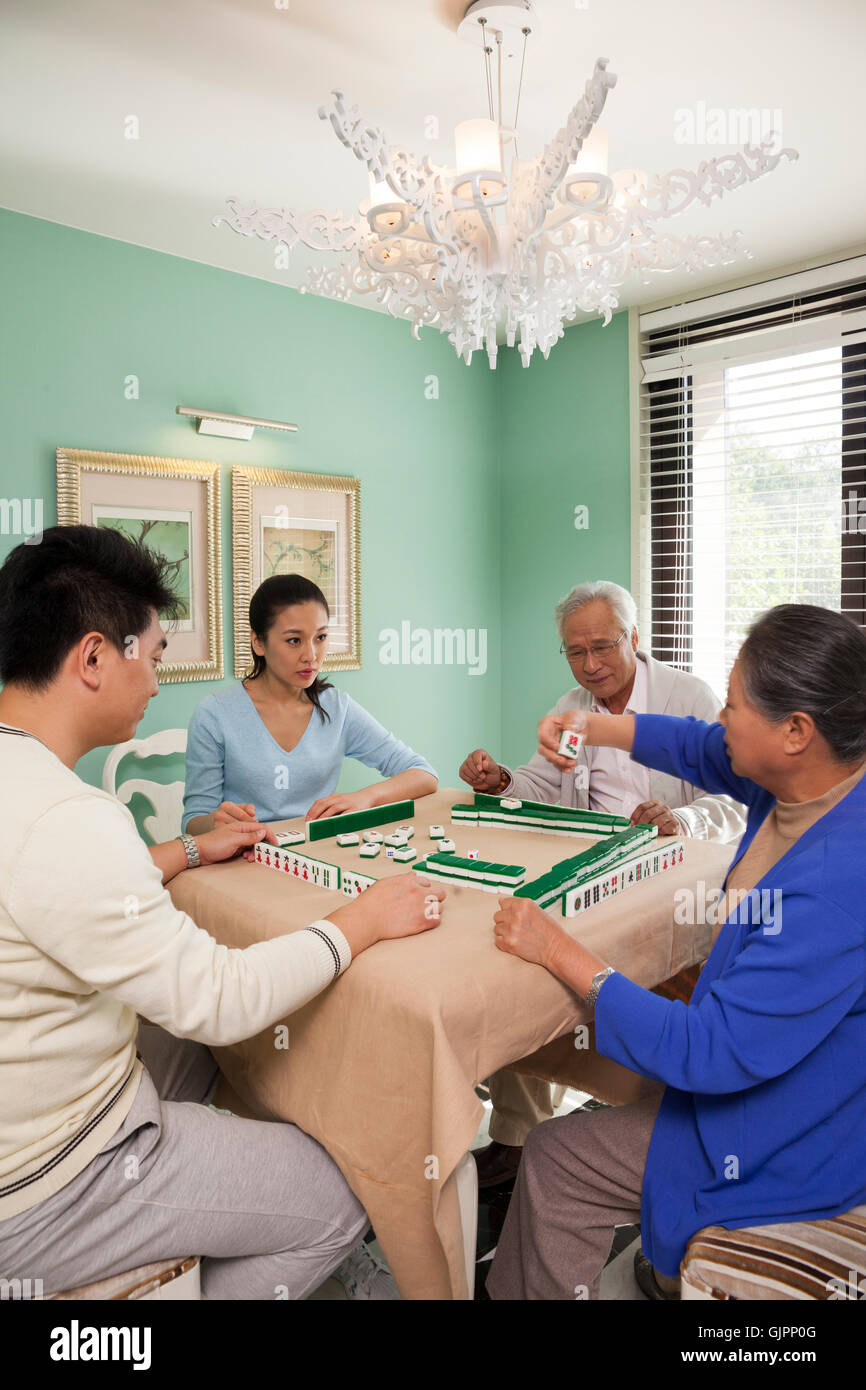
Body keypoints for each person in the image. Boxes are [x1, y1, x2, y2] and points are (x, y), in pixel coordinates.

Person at [0, 526, 445, 1300]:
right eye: (154, 655)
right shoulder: (72, 816)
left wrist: (190, 852)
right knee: (345, 1196)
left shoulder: (27, 784)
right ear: (96, 658)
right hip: (50, 1180)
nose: (153, 682)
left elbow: (70, 888)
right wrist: (365, 920)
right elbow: (220, 998)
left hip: (35, 1117)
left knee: (204, 1051)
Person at [485, 603, 866, 1300]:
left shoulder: (838, 882)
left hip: (795, 1132)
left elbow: (710, 1052)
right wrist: (589, 724)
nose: (720, 718)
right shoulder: (816, 780)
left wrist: (560, 951)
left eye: (734, 706)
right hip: (786, 1065)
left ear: (795, 731)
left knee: (555, 1154)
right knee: (618, 1060)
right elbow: (694, 746)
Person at [460, 580, 746, 1186]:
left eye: (603, 648)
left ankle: (650, 1129)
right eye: (575, 651)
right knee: (515, 964)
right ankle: (515, 1134)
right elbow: (542, 786)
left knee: (624, 985)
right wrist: (501, 780)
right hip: (592, 868)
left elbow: (736, 801)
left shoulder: (686, 695)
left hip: (670, 873)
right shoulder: (572, 703)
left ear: (634, 639)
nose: (590, 665)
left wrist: (681, 818)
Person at [183, 572, 437, 837]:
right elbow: (193, 822)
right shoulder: (214, 714)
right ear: (258, 642)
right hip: (241, 859)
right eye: (294, 640)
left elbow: (423, 774)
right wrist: (216, 822)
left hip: (318, 858)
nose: (311, 655)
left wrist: (364, 798)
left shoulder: (337, 708)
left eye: (321, 637)